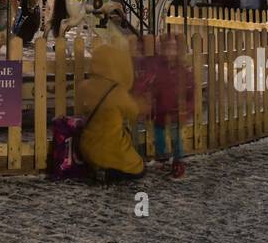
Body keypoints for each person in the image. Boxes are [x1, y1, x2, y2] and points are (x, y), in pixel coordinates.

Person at [77, 41, 144, 182]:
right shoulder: (117, 92)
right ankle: (108, 174)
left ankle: (96, 168)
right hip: (110, 148)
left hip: (87, 145)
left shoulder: (85, 86)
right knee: (137, 167)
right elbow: (134, 112)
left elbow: (82, 109)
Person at [148, 32, 191, 178]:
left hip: (176, 108)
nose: (169, 52)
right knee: (159, 133)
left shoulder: (181, 69)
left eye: (172, 48)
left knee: (175, 135)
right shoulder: (158, 67)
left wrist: (188, 107)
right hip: (160, 108)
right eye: (166, 48)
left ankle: (178, 159)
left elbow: (190, 87)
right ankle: (161, 157)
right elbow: (152, 85)